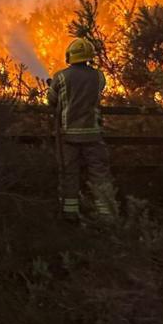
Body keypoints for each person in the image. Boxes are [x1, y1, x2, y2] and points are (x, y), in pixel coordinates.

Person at [47, 37, 116, 222]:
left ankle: (70, 215)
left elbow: (51, 100)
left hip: (68, 136)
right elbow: (98, 90)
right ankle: (106, 214)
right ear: (89, 56)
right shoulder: (98, 76)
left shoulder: (60, 77)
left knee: (69, 174)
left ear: (70, 56)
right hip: (93, 134)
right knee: (99, 174)